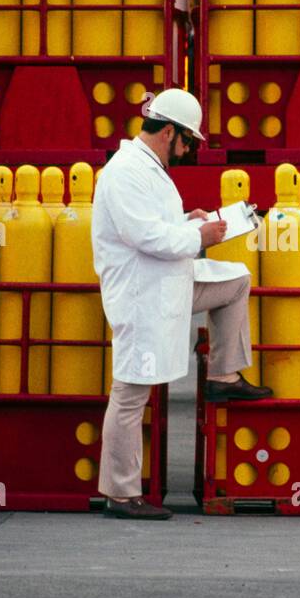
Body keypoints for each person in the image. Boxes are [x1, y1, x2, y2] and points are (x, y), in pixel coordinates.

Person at [91, 88, 271, 519]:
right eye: (188, 140)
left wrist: (188, 221)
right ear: (168, 131)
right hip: (142, 295)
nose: (189, 149)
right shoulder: (125, 172)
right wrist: (197, 237)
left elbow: (155, 225)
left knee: (235, 281)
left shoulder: (148, 167)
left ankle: (224, 375)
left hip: (165, 285)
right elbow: (143, 236)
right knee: (131, 392)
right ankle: (120, 494)